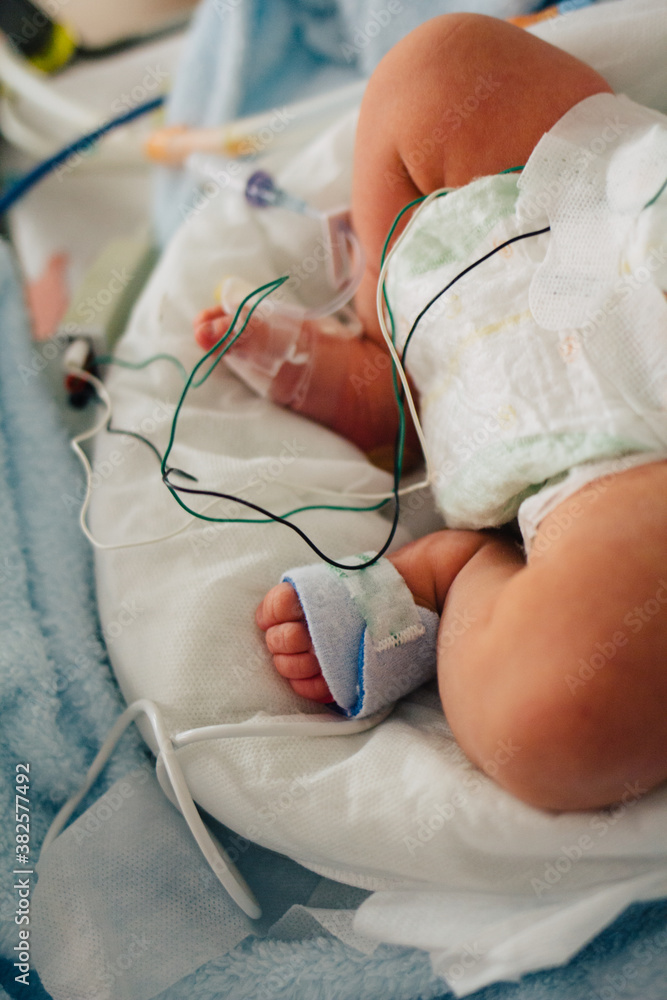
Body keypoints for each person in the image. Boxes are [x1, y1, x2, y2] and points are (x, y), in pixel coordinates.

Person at [194, 14, 667, 812]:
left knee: (557, 721)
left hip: (618, 490)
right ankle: (391, 350)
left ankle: (453, 563)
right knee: (439, 73)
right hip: (602, 222)